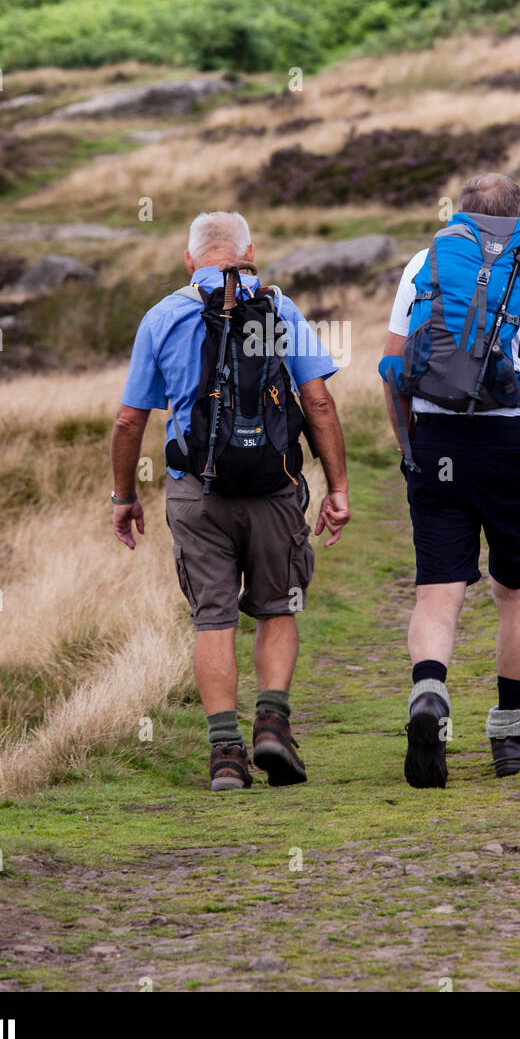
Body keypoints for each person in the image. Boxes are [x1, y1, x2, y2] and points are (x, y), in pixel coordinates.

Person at [110, 211, 350, 792]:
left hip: (197, 493)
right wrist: (338, 488)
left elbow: (128, 420)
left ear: (190, 260)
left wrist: (124, 496)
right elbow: (317, 404)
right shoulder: (279, 309)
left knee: (213, 619)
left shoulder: (163, 316)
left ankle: (224, 756)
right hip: (273, 488)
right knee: (277, 607)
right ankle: (272, 724)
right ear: (249, 252)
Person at [381, 173, 520, 786]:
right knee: (516, 590)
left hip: (438, 444)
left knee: (438, 591)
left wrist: (409, 446)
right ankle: (510, 736)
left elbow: (392, 369)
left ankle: (430, 695)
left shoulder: (425, 262)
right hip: (516, 443)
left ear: (461, 215)